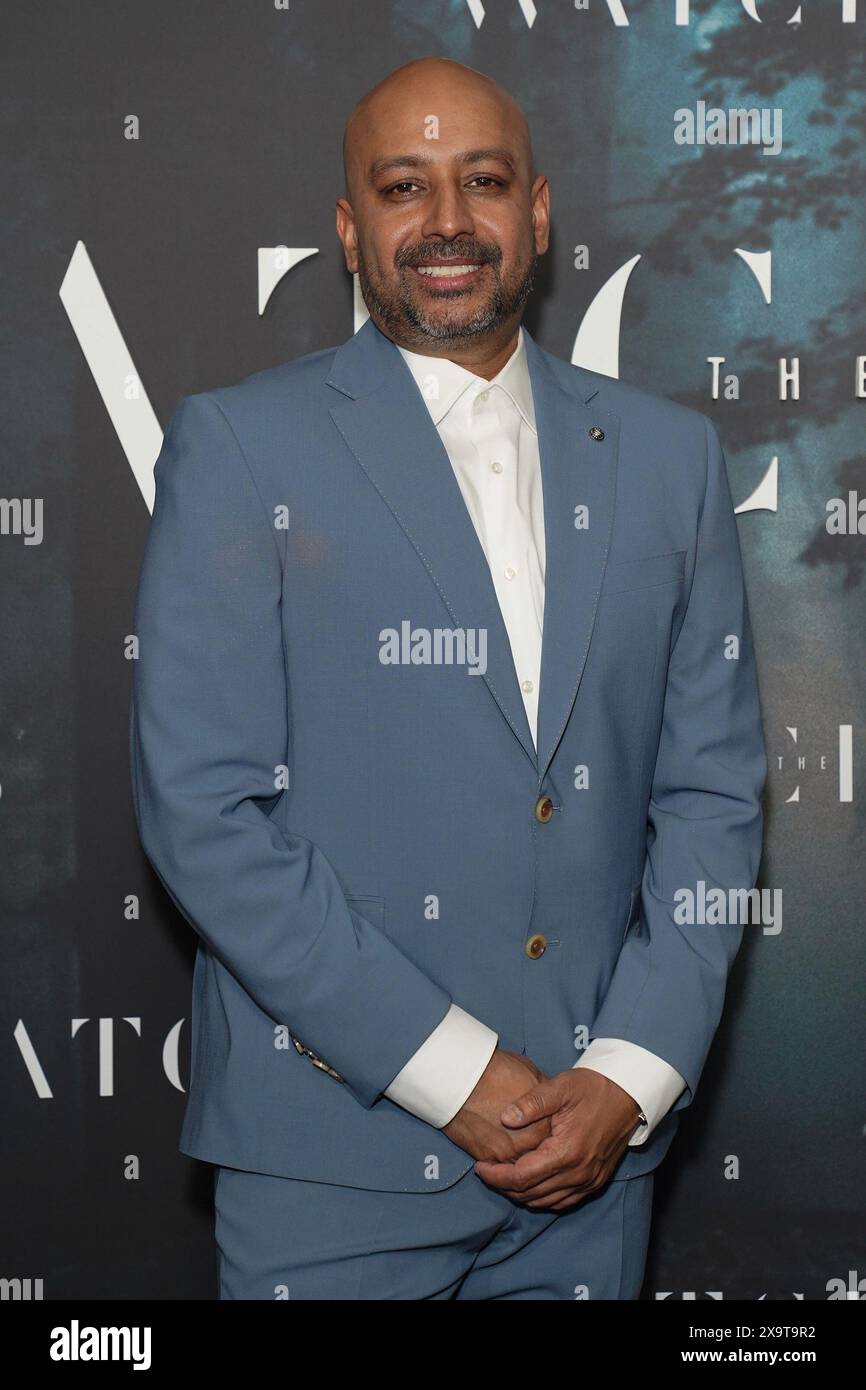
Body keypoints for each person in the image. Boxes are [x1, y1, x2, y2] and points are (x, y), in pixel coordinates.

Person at [129, 56, 767, 1300]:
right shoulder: (239, 444)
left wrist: (629, 1075)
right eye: (402, 186)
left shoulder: (669, 459)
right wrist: (451, 1071)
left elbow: (711, 799)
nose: (446, 223)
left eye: (481, 181)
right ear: (348, 229)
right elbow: (203, 812)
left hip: (594, 1178)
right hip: (329, 1176)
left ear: (535, 211)